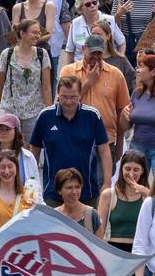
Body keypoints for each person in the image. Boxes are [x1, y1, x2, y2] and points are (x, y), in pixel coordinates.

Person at [28, 75, 113, 206]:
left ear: (80, 94)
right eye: (64, 97)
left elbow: (104, 151)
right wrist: (32, 183)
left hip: (86, 191)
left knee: (86, 227)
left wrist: (107, 183)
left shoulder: (92, 116)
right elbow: (34, 152)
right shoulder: (45, 117)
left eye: (73, 97)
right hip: (53, 193)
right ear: (57, 94)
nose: (68, 101)